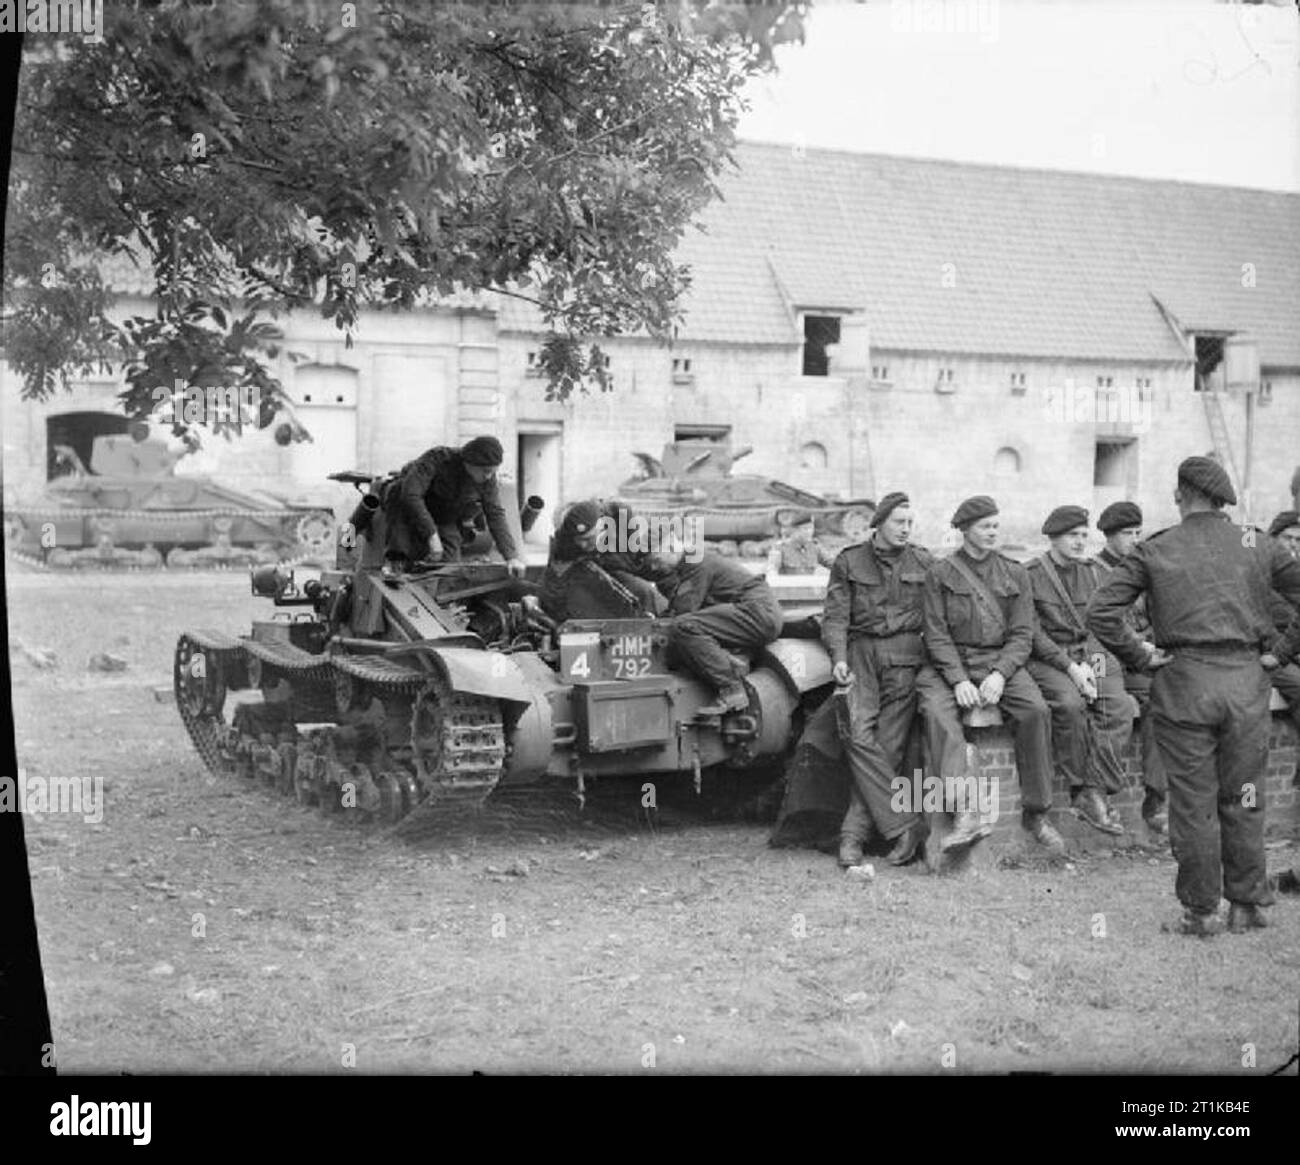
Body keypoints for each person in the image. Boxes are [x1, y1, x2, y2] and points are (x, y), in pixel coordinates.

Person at [1087, 457, 1300, 937]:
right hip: (1246, 686)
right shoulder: (1255, 543)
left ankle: (1202, 912)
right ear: (1223, 500)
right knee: (1245, 794)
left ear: (1180, 494)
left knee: (1193, 802)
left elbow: (1100, 612)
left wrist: (1140, 656)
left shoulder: (1157, 547)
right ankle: (1246, 904)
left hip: (1184, 684)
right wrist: (1281, 653)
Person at [916, 495, 1064, 854]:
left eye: (996, 525)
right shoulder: (940, 574)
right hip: (952, 662)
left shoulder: (1015, 573)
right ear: (965, 530)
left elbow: (1022, 633)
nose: (993, 532)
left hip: (1001, 661)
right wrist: (958, 680)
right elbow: (936, 634)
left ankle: (1037, 812)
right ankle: (965, 812)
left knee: (1035, 711)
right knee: (936, 713)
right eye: (985, 526)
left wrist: (999, 674)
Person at [821, 492, 931, 868]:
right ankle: (906, 825)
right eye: (899, 522)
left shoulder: (924, 561)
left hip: (905, 658)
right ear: (879, 523)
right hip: (861, 656)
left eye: (910, 523)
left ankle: (852, 836)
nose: (906, 529)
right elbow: (836, 616)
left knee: (887, 747)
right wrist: (838, 658)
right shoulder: (849, 560)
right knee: (855, 733)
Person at [1025, 505, 1131, 835]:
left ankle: (1095, 788)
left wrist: (1090, 663)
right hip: (1049, 658)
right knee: (1070, 705)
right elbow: (1033, 634)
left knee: (1118, 704)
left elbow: (1098, 624)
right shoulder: (1031, 574)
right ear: (1054, 537)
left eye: (1084, 535)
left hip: (1088, 653)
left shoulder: (1092, 573)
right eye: (1073, 535)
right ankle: (1078, 788)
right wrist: (1072, 668)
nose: (1080, 541)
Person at [1092, 501, 1168, 834]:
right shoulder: (1092, 571)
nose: (1135, 540)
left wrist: (1150, 644)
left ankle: (1156, 797)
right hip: (1103, 659)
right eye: (1127, 533)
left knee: (1163, 699)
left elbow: (1152, 617)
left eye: (1138, 533)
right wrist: (1137, 645)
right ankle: (1099, 794)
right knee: (1114, 707)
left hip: (1138, 661)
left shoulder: (1143, 572)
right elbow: (1094, 623)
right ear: (1109, 535)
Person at [648, 538, 784, 715]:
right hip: (758, 613)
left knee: (684, 626)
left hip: (756, 613)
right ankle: (729, 664)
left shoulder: (696, 563)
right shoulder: (692, 563)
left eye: (657, 560)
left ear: (672, 548)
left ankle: (731, 689)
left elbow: (683, 610)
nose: (654, 568)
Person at [382, 435, 525, 576]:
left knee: (451, 566)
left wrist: (511, 557)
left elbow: (495, 514)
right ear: (470, 462)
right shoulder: (438, 458)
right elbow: (411, 495)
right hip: (408, 509)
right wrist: (431, 535)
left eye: (493, 472)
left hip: (443, 515)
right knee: (398, 492)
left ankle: (437, 585)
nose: (488, 476)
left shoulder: (487, 480)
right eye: (486, 471)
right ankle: (395, 561)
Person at [539, 499, 657, 622]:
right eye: (579, 540)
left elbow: (634, 560)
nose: (583, 545)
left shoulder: (622, 517)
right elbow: (555, 575)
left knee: (643, 590)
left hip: (618, 566)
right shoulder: (565, 539)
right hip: (588, 571)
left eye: (588, 539)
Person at [1265, 511, 1300, 773]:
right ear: (1273, 538)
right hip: (1271, 656)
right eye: (1288, 538)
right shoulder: (1260, 572)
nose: (1293, 545)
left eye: (1298, 540)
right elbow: (1263, 626)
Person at [767, 517, 836, 576]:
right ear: (794, 531)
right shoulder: (781, 548)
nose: (809, 532)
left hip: (809, 586)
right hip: (788, 586)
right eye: (805, 529)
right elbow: (772, 568)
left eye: (811, 528)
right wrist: (773, 574)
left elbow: (832, 563)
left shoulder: (815, 546)